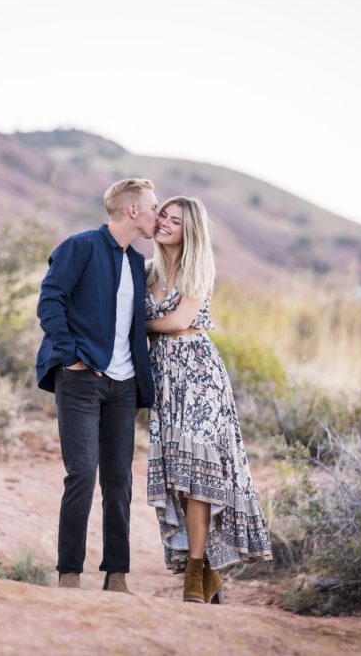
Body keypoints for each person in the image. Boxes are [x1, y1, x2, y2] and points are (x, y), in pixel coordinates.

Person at [145, 196, 273, 603]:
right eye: (163, 216)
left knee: (199, 471)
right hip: (165, 380)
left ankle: (194, 576)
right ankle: (208, 574)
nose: (165, 223)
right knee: (180, 477)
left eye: (175, 220)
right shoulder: (146, 272)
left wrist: (138, 325)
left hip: (199, 375)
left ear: (190, 231)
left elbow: (179, 320)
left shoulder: (198, 270)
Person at [36, 178, 159, 593]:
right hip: (80, 379)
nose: (157, 214)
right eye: (153, 207)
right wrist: (70, 357)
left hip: (124, 386)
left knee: (119, 480)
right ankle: (69, 574)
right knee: (82, 474)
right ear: (132, 210)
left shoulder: (137, 263)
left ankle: (117, 575)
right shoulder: (81, 246)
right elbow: (50, 300)